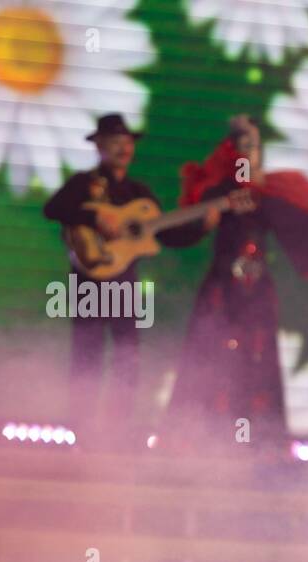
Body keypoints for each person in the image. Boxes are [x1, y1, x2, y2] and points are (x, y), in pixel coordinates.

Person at [164, 115, 308, 455]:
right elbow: (177, 232)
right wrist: (207, 219)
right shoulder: (217, 192)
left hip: (257, 294)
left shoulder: (269, 192)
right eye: (244, 146)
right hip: (222, 292)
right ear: (231, 151)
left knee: (257, 367)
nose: (251, 153)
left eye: (256, 147)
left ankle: (257, 450)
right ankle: (204, 447)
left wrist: (264, 194)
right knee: (212, 361)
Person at [43, 114, 219, 445]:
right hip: (90, 282)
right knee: (88, 355)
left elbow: (162, 236)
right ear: (99, 147)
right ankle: (82, 432)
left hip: (125, 283)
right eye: (115, 142)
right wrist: (93, 215)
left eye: (127, 142)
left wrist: (202, 226)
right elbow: (53, 208)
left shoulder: (139, 195)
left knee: (128, 356)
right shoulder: (84, 184)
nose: (123, 148)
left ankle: (116, 431)